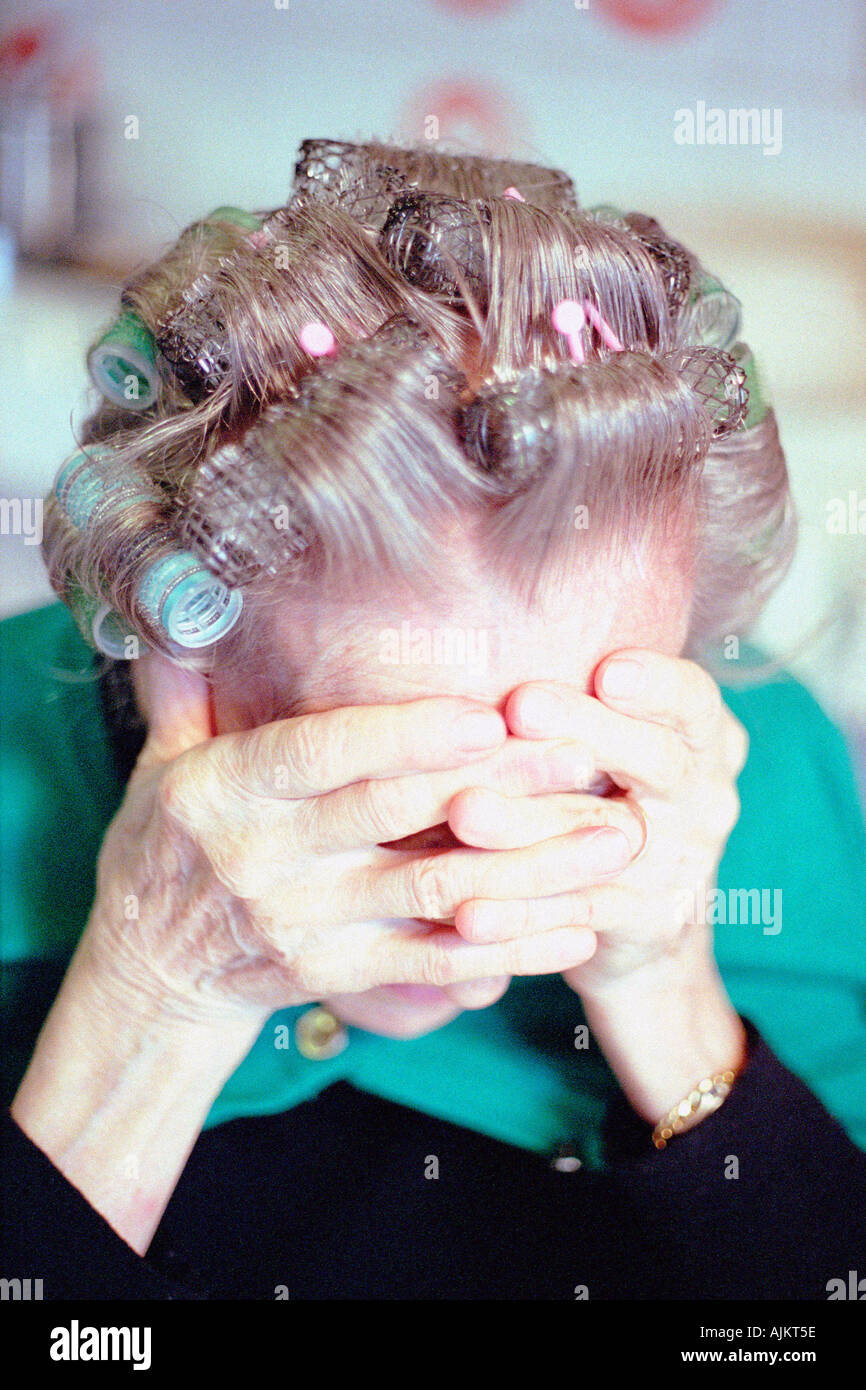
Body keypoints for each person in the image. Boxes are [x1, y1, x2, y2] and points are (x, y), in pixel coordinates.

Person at [3, 139, 865, 1301]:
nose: (472, 914)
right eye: (381, 797)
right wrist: (154, 996)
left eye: (577, 787)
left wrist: (664, 987)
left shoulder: (771, 769)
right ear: (171, 644)